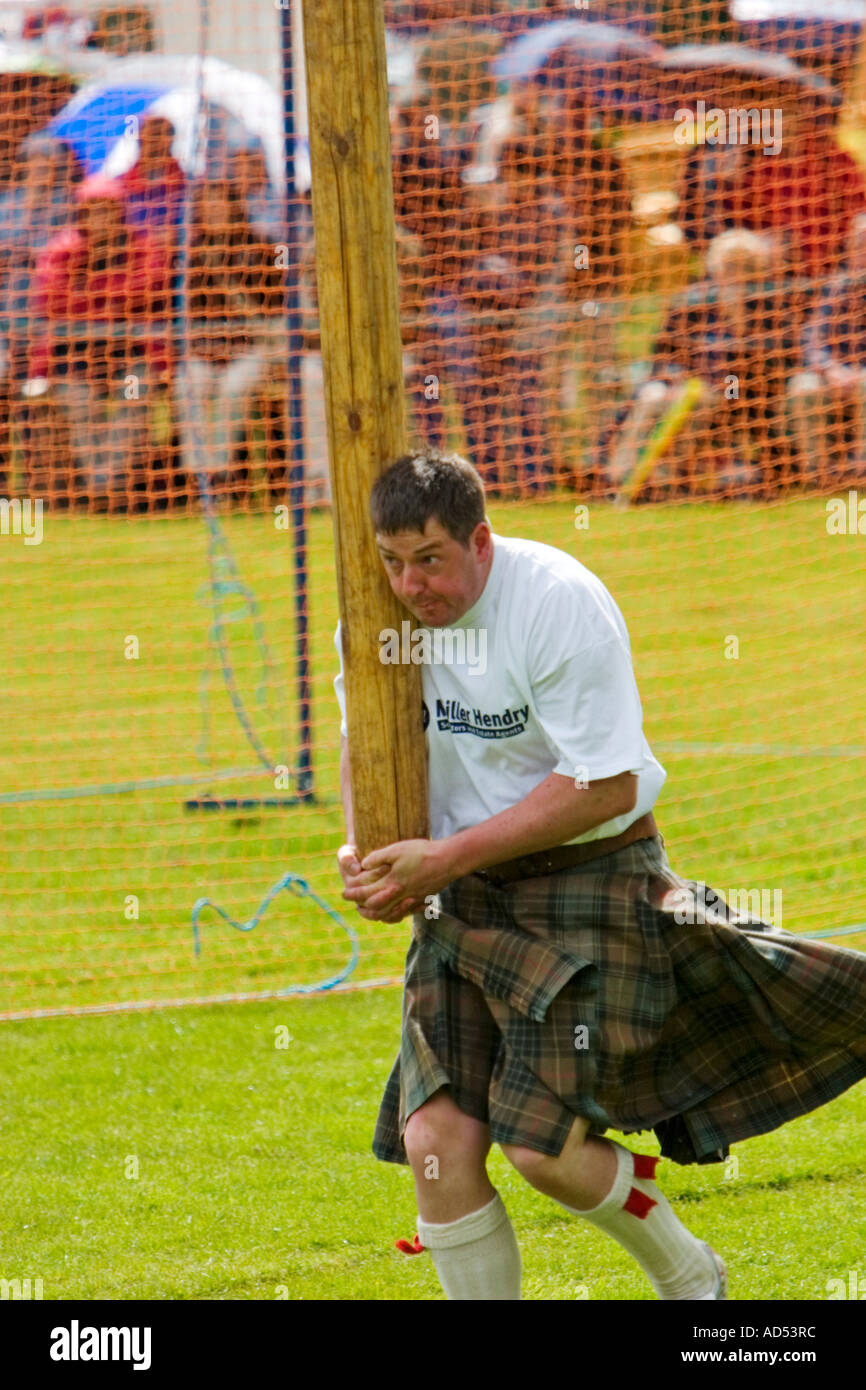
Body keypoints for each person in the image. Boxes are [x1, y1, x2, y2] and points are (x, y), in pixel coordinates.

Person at [333, 448, 866, 1301]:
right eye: (392, 563)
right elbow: (369, 743)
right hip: (462, 894)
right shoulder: (374, 618)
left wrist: (446, 857)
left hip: (588, 874)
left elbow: (605, 783)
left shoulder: (555, 603)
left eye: (429, 561)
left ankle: (694, 1279)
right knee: (435, 1143)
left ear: (481, 540)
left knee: (543, 1148)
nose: (410, 587)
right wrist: (365, 851)